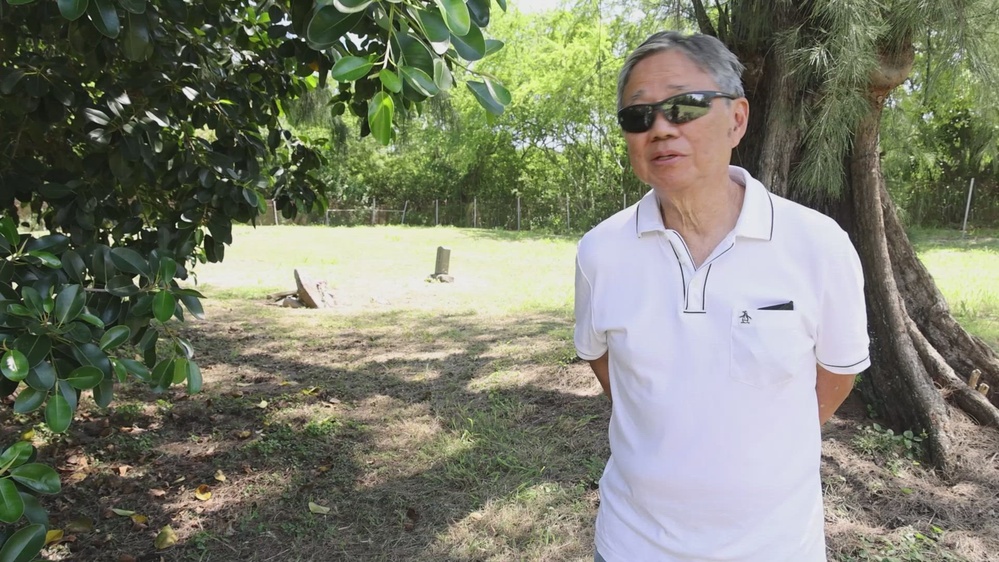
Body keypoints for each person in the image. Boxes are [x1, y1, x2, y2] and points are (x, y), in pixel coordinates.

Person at [573, 31, 871, 562]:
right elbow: (607, 366)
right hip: (631, 545)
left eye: (684, 106)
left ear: (737, 119)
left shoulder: (818, 245)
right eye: (638, 116)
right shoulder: (600, 252)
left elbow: (836, 378)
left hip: (776, 548)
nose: (660, 128)